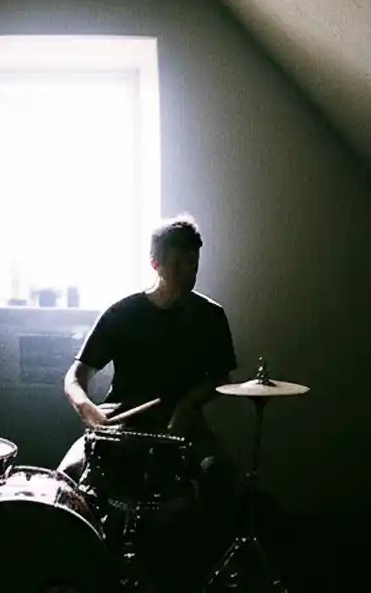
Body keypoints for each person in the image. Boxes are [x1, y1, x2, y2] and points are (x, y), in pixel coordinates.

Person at [58, 215, 238, 581]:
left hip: (184, 424)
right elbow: (75, 376)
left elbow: (221, 377)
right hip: (122, 419)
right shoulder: (122, 313)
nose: (189, 273)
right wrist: (86, 408)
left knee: (220, 473)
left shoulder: (210, 316)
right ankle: (78, 574)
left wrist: (188, 405)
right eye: (179, 264)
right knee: (66, 481)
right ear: (155, 263)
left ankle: (206, 574)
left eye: (194, 264)